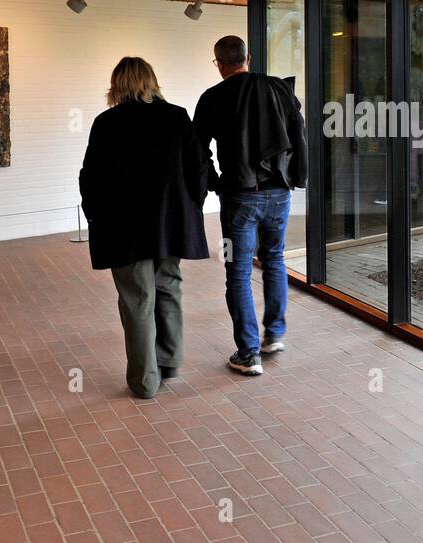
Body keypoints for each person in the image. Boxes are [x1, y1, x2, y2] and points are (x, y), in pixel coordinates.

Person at [79, 57, 209, 398]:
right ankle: (169, 361)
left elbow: (91, 177)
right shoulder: (176, 116)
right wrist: (193, 206)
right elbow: (199, 169)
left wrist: (94, 216)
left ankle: (145, 381)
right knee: (168, 288)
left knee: (137, 299)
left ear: (116, 85)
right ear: (152, 81)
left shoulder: (106, 123)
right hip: (171, 224)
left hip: (124, 228)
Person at [193, 36, 306, 376]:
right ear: (248, 57)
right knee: (273, 259)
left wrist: (214, 182)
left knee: (238, 271)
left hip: (240, 197)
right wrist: (292, 176)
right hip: (279, 195)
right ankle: (275, 334)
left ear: (218, 63)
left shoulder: (213, 97)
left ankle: (249, 353)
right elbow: (297, 133)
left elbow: (198, 149)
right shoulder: (278, 89)